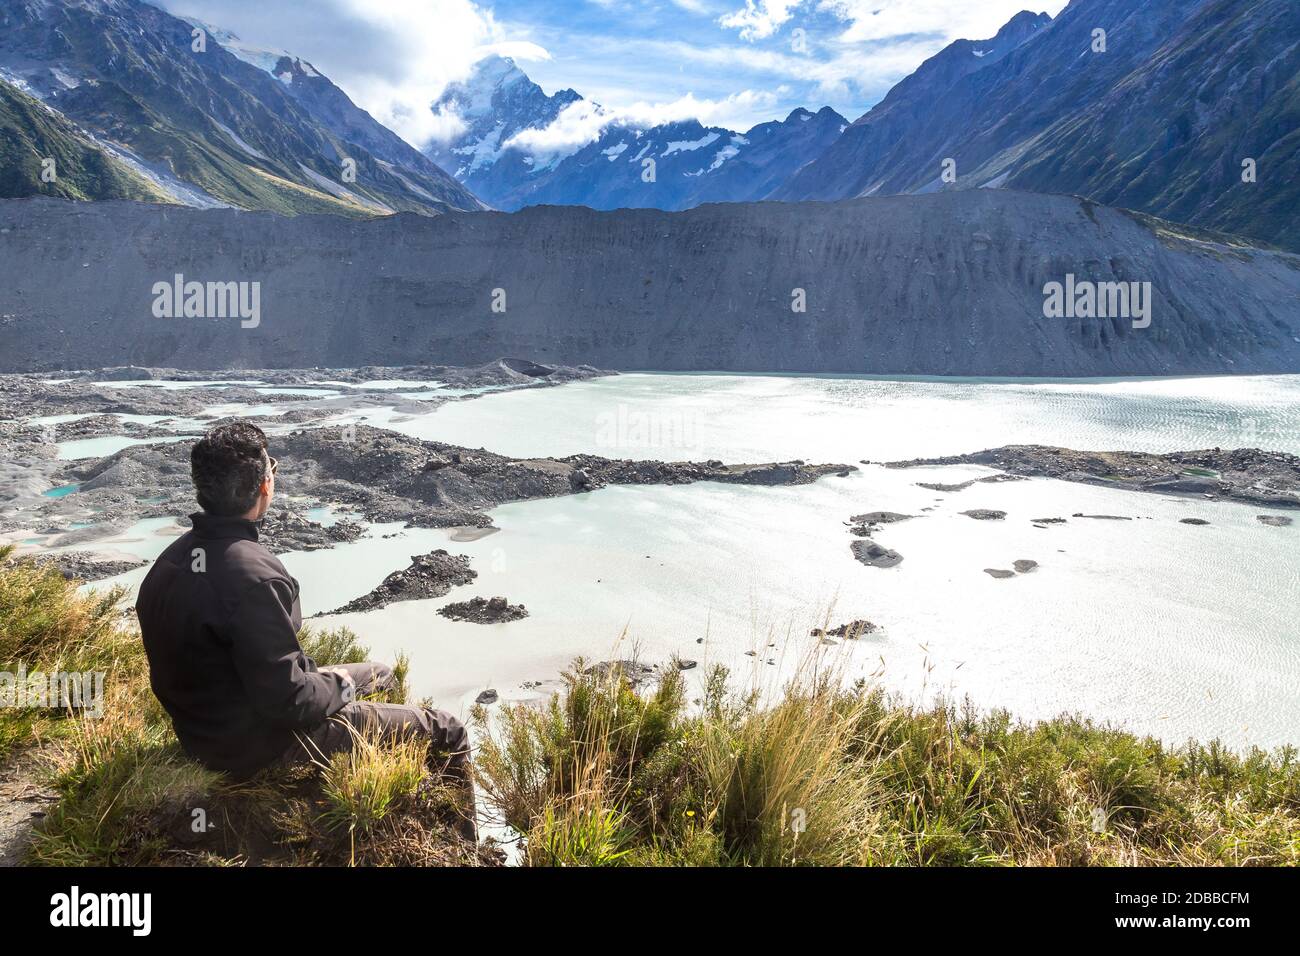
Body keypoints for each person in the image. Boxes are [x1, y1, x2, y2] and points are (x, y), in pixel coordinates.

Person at [135, 421, 475, 840]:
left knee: (382, 673)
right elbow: (291, 702)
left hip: (201, 731)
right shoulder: (255, 576)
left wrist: (332, 683)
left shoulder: (170, 561)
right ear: (265, 486)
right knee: (448, 729)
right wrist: (341, 685)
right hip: (257, 745)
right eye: (272, 470)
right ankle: (462, 844)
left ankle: (376, 765)